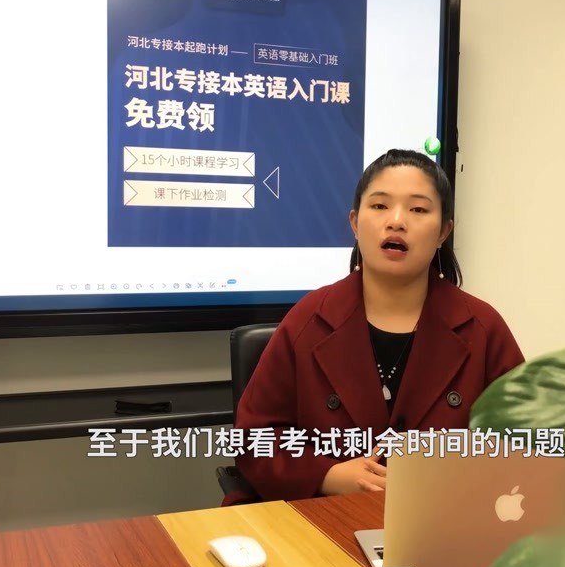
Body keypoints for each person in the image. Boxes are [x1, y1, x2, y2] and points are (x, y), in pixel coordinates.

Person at [221, 148, 525, 506]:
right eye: (380, 206)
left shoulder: (482, 329)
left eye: (418, 209)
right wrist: (327, 476)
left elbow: (523, 443)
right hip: (324, 516)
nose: (396, 221)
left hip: (441, 520)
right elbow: (253, 439)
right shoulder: (308, 320)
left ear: (444, 231)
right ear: (355, 222)